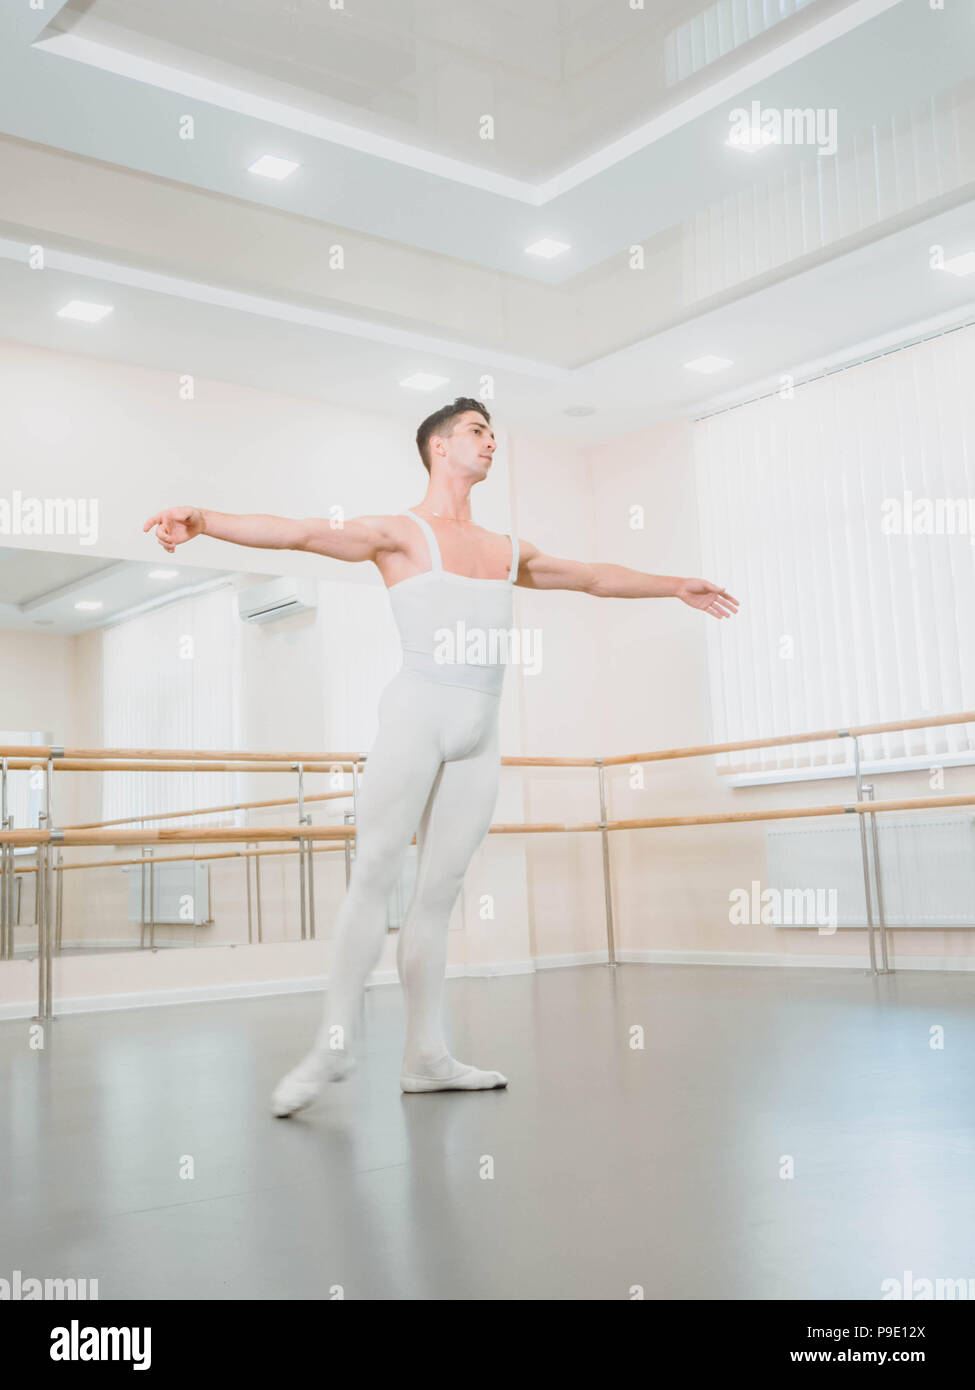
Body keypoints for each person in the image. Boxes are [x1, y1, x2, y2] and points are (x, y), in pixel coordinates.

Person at [143, 397, 738, 1114]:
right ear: (437, 447)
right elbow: (297, 533)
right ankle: (332, 1044)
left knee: (439, 894)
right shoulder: (398, 533)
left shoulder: (503, 548)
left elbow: (590, 576)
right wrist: (204, 519)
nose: (491, 443)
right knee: (374, 874)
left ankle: (425, 1055)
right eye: (477, 432)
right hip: (416, 715)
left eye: (493, 433)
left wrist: (672, 584)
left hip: (478, 733)